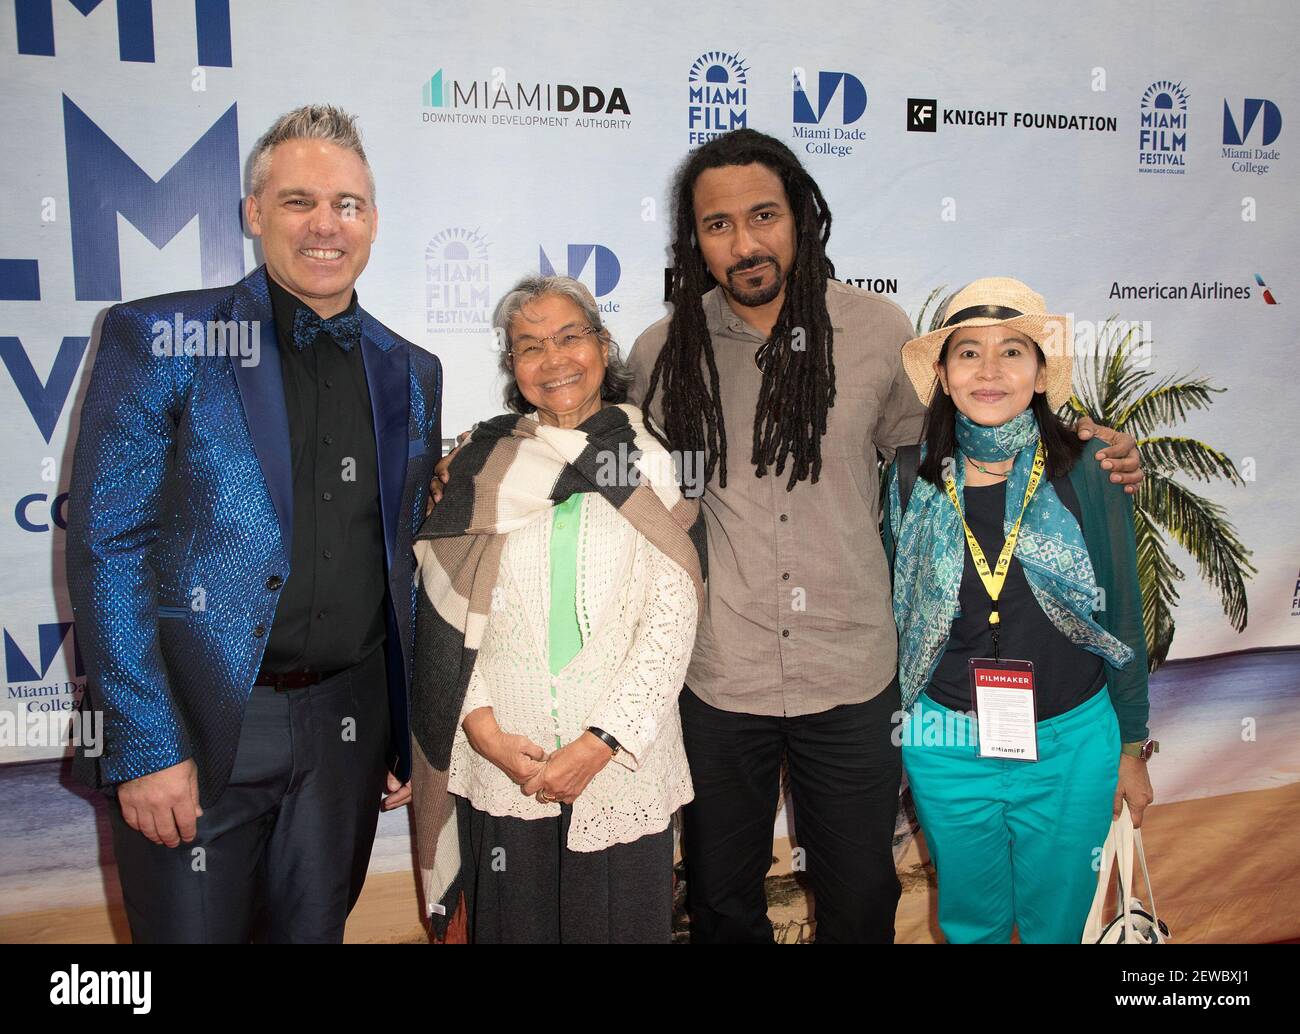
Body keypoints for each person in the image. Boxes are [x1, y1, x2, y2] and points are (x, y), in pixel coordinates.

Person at [621, 129, 1144, 943]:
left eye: (764, 215)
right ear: (694, 239)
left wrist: (1081, 443)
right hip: (722, 675)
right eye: (718, 224)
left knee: (862, 897)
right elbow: (615, 472)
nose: (745, 242)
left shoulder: (874, 330)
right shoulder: (662, 353)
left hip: (854, 672)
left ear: (801, 217)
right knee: (721, 899)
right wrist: (476, 460)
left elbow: (951, 447)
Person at [65, 105, 443, 943]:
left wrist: (405, 727)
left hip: (347, 731)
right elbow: (107, 547)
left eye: (347, 204)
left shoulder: (412, 370)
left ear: (373, 220)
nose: (325, 225)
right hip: (197, 731)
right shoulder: (162, 338)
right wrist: (147, 744)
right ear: (254, 213)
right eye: (299, 200)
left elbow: (402, 564)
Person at [408, 275, 705, 944]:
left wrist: (601, 743)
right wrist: (480, 725)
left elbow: (672, 620)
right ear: (512, 365)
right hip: (504, 756)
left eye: (571, 337)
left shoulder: (657, 462)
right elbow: (446, 605)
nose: (555, 359)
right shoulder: (482, 462)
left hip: (622, 761)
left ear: (603, 345)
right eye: (531, 346)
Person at [883, 276, 1155, 943]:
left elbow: (1122, 612)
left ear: (1039, 374)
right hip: (946, 743)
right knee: (971, 925)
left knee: (1056, 927)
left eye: (1012, 351)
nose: (989, 370)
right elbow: (895, 614)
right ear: (943, 376)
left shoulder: (1091, 467)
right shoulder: (907, 475)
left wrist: (1131, 746)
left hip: (1071, 744)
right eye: (968, 353)